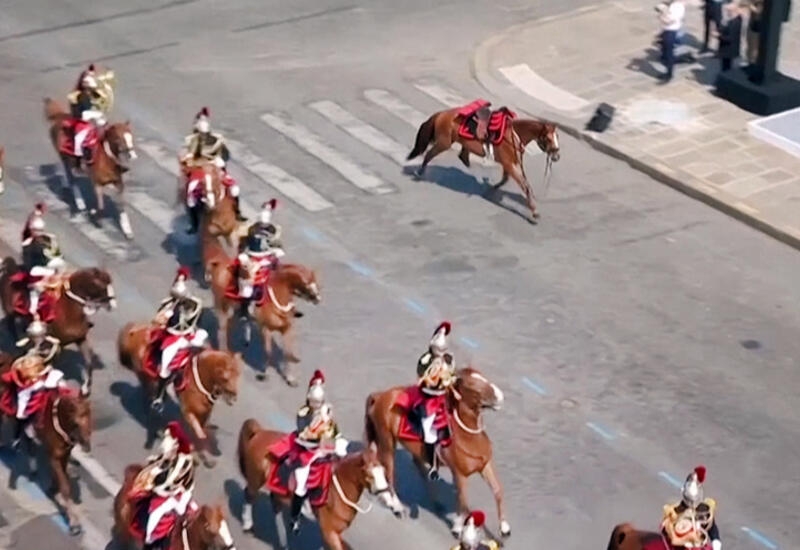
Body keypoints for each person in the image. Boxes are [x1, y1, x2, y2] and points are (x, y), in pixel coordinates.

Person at [287, 370, 348, 534]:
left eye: (319, 402)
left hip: (325, 448)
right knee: (301, 485)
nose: (316, 405)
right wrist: (319, 430)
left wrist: (337, 438)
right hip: (307, 450)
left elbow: (333, 429)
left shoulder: (326, 411)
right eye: (314, 402)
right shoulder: (303, 413)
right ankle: (294, 517)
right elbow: (304, 434)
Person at [128, 422, 199, 550]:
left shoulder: (182, 461)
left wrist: (153, 483)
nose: (164, 443)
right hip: (176, 492)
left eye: (168, 439)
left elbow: (168, 483)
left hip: (176, 495)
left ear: (175, 443)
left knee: (156, 513)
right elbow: (161, 463)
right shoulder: (173, 456)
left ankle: (150, 538)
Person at [180, 107, 246, 230]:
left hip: (216, 169)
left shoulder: (217, 140)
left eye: (206, 133)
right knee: (191, 197)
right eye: (202, 133)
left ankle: (237, 212)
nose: (204, 136)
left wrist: (221, 160)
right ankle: (194, 224)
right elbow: (186, 156)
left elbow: (226, 153)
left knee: (235, 189)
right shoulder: (191, 141)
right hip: (199, 171)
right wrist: (189, 160)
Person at [147, 293, 209, 412]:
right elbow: (159, 321)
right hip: (173, 339)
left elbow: (197, 324)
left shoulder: (195, 308)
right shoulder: (171, 309)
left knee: (204, 342)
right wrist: (164, 317)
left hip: (189, 335)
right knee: (165, 367)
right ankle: (159, 397)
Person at [0, 348, 66, 447]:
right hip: (29, 397)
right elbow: (23, 398)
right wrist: (21, 412)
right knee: (22, 418)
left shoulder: (48, 376)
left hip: (44, 393)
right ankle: (17, 437)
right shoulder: (25, 386)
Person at [416, 321, 456, 480]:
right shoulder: (425, 360)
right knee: (429, 432)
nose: (441, 353)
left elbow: (452, 374)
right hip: (430, 397)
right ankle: (433, 464)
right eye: (438, 350)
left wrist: (450, 382)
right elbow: (422, 377)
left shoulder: (449, 359)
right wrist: (434, 381)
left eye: (443, 350)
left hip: (445, 396)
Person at [233, 200, 285, 317]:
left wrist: (278, 251)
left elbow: (276, 243)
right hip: (253, 258)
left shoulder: (274, 229)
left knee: (280, 274)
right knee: (247, 285)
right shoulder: (250, 229)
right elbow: (243, 244)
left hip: (268, 257)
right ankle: (245, 307)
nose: (263, 226)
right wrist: (243, 255)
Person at [661, 465, 722, 550]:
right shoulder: (674, 512)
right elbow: (667, 534)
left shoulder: (704, 511)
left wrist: (716, 543)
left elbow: (712, 528)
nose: (692, 503)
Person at [21, 204, 66, 317]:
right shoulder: (28, 244)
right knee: (35, 292)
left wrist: (58, 264)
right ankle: (33, 312)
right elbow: (30, 267)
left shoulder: (50, 238)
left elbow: (57, 254)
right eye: (36, 230)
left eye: (40, 230)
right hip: (37, 272)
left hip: (53, 269)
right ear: (31, 230)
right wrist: (49, 272)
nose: (39, 232)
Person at [66, 64, 108, 169]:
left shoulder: (93, 94)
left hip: (94, 121)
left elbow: (100, 104)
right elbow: (81, 113)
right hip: (82, 122)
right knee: (79, 140)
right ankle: (78, 161)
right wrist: (96, 114)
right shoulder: (79, 96)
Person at [154, 267, 202, 332]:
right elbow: (175, 292)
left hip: (182, 300)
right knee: (169, 311)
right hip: (176, 300)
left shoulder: (183, 285)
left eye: (182, 276)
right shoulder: (176, 285)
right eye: (180, 276)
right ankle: (166, 323)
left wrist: (186, 296)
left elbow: (184, 293)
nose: (180, 278)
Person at [656, 0, 686, 82]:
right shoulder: (673, 5)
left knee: (669, 53)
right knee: (665, 50)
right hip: (667, 30)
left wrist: (662, 13)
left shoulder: (678, 7)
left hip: (671, 31)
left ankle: (669, 74)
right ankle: (667, 66)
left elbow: (668, 21)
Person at [718, 2, 744, 71]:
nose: (727, 13)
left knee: (726, 68)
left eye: (729, 11)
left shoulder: (735, 23)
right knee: (726, 66)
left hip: (729, 50)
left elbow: (730, 38)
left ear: (733, 11)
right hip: (727, 50)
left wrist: (719, 36)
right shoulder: (732, 20)